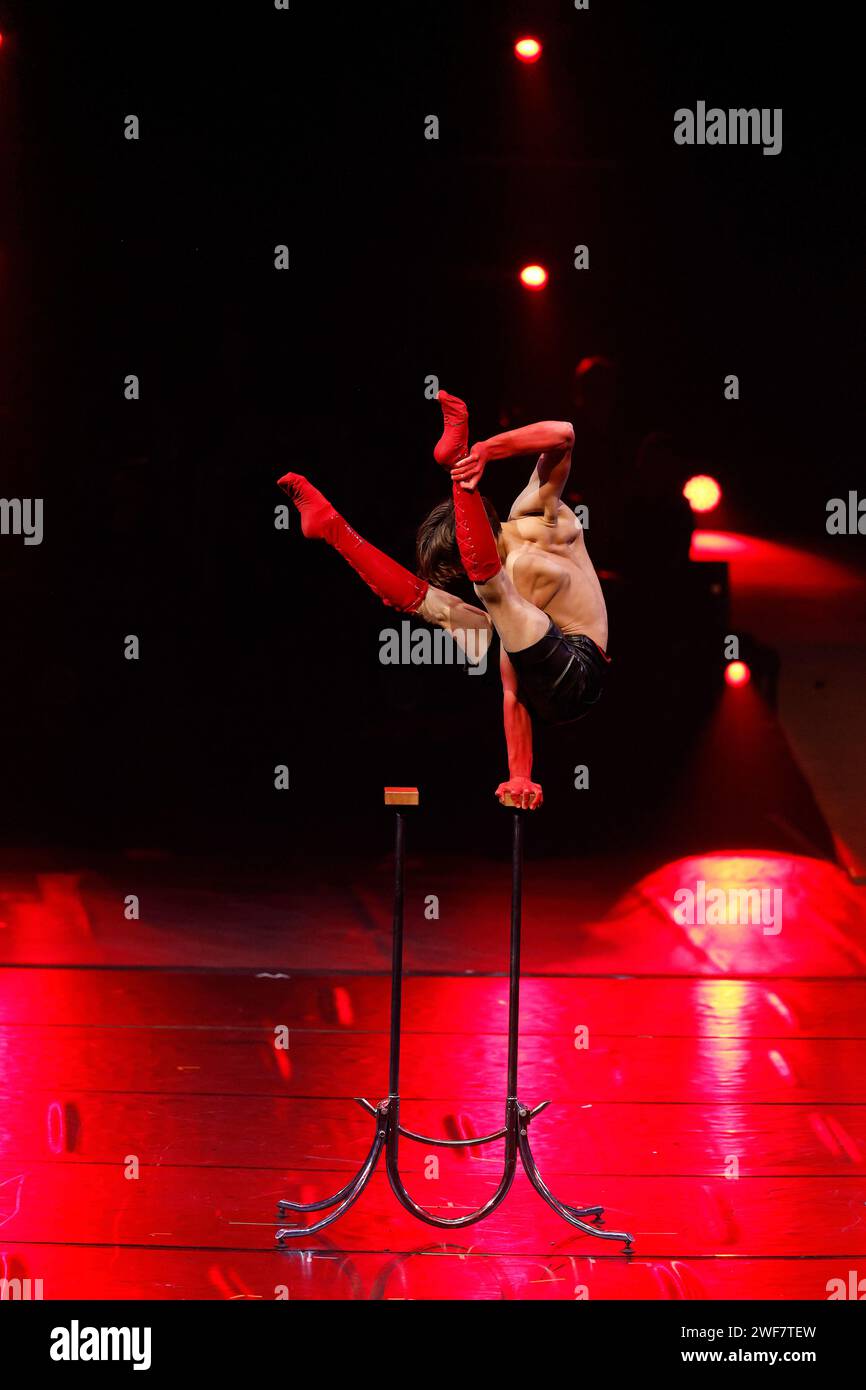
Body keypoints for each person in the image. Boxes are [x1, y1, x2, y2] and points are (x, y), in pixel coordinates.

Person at [278, 391, 610, 811]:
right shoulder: (534, 509)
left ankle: (341, 524)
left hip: (579, 674)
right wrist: (486, 450)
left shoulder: (516, 575)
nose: (460, 579)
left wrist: (520, 773)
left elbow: (514, 691)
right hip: (553, 664)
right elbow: (565, 434)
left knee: (467, 602)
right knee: (453, 604)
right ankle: (333, 527)